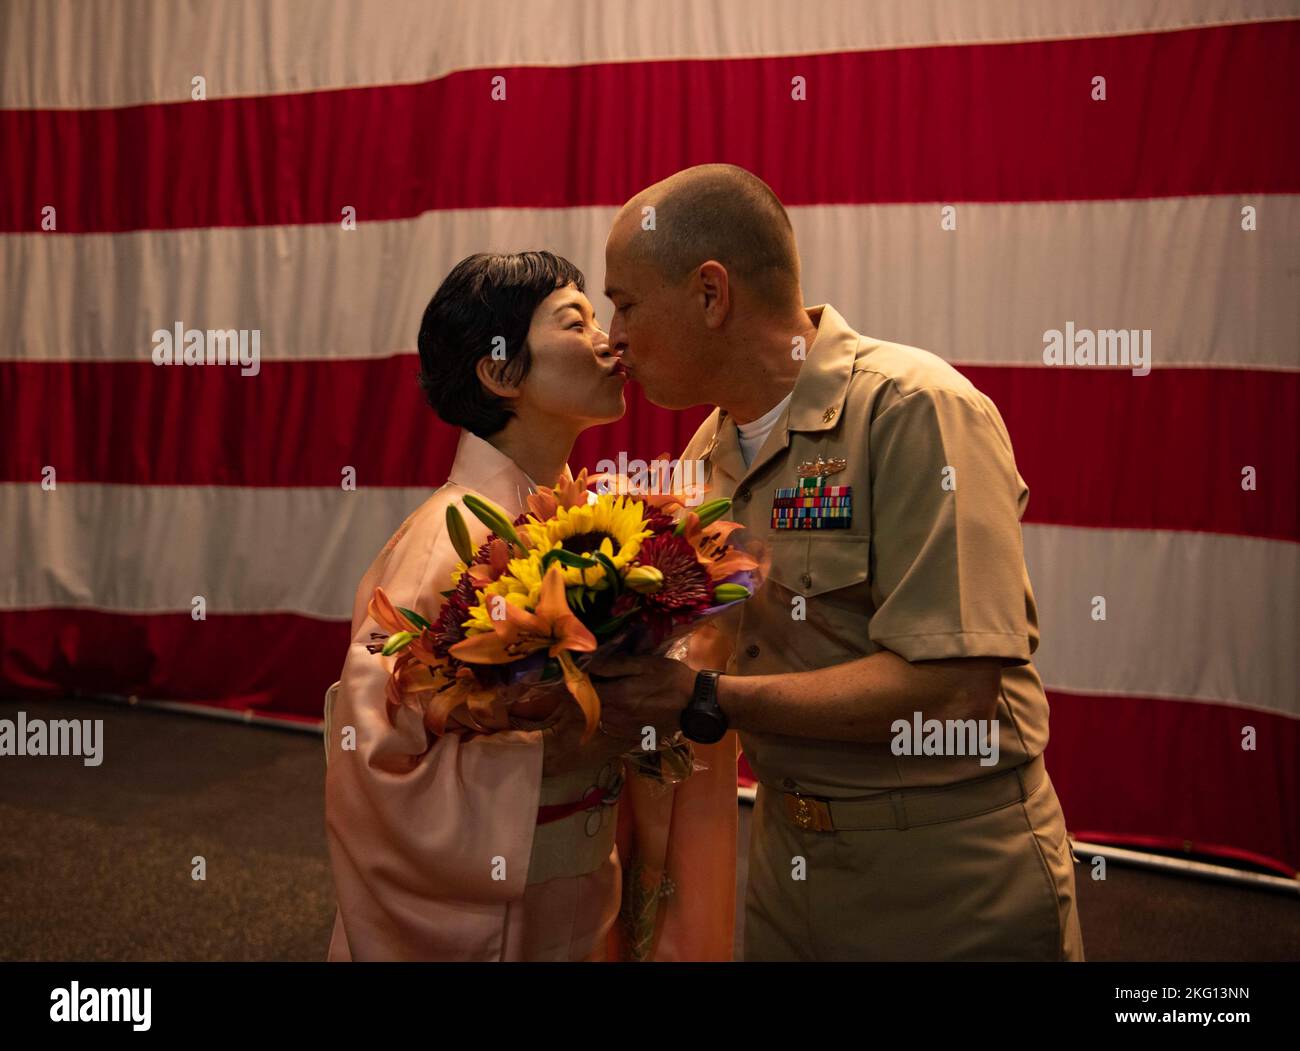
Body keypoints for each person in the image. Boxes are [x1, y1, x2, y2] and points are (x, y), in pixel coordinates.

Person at [592, 164, 1085, 961]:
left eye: (625, 303)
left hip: (943, 874)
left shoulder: (914, 410)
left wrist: (705, 698)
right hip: (789, 861)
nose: (611, 337)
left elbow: (956, 685)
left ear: (711, 295)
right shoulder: (708, 452)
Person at [324, 251, 737, 961]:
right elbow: (374, 766)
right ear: (498, 370)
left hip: (571, 885)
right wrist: (578, 739)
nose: (611, 340)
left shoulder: (582, 518)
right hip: (497, 911)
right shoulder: (446, 544)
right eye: (574, 321)